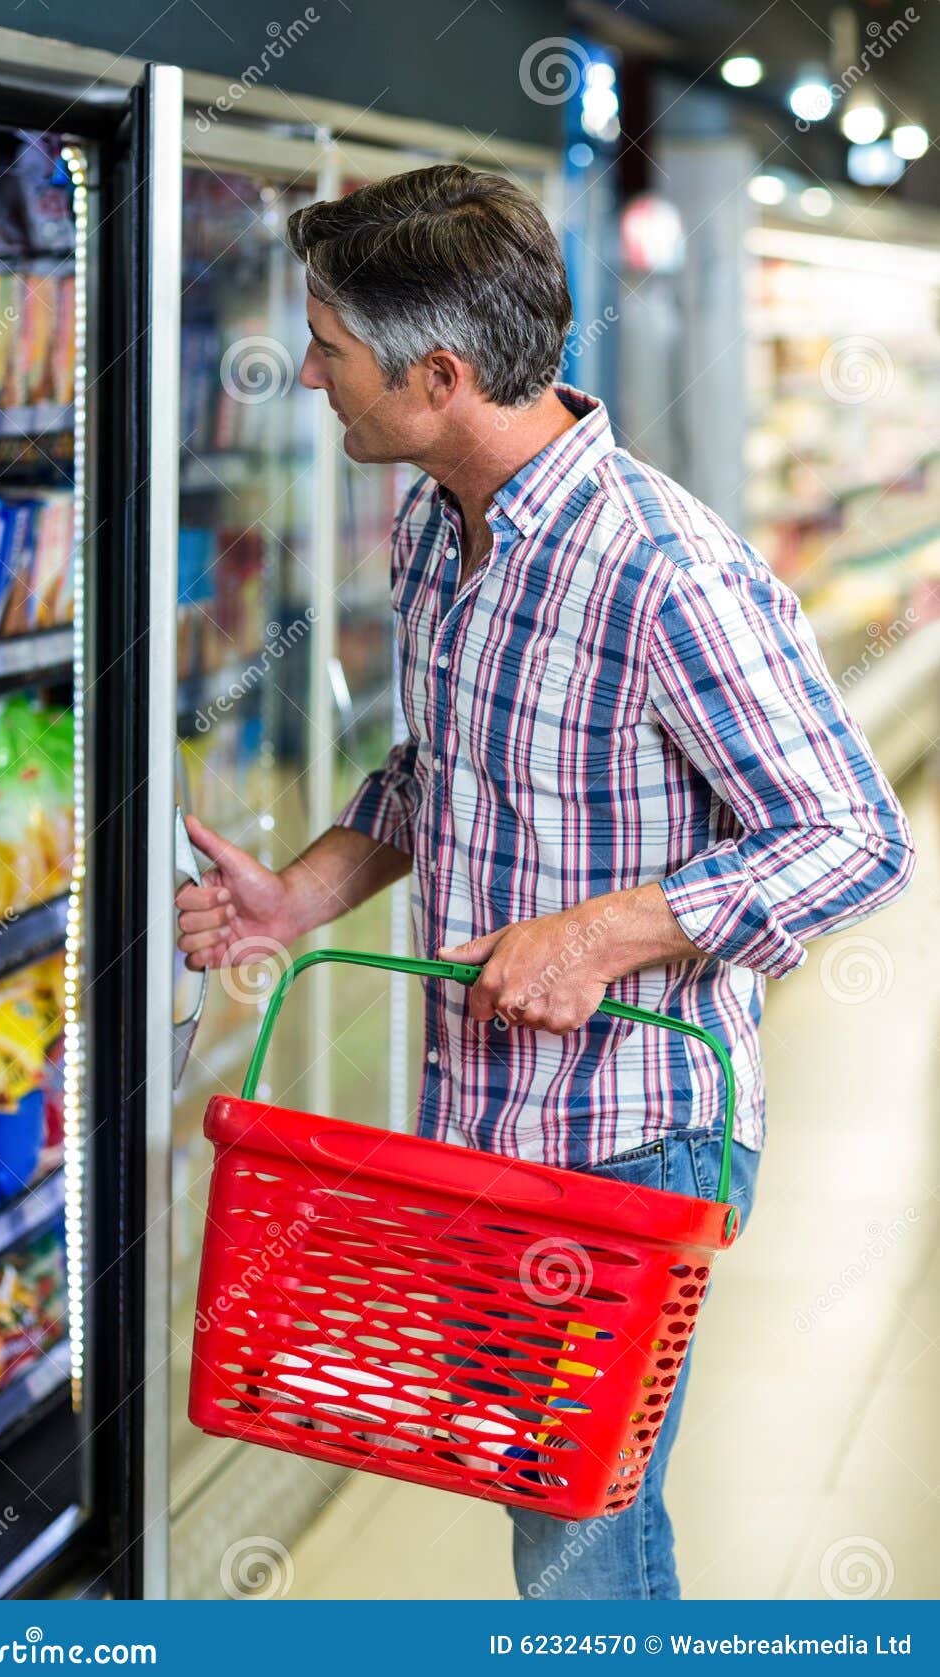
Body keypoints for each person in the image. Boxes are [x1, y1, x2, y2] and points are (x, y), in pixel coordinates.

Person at [176, 165, 914, 1599]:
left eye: (331, 347)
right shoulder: (437, 521)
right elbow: (440, 767)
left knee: (578, 1531)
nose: (312, 375)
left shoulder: (664, 572)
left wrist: (600, 931)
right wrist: (297, 898)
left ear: (437, 373)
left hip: (632, 1131)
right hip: (491, 1112)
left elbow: (856, 836)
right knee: (545, 1491)